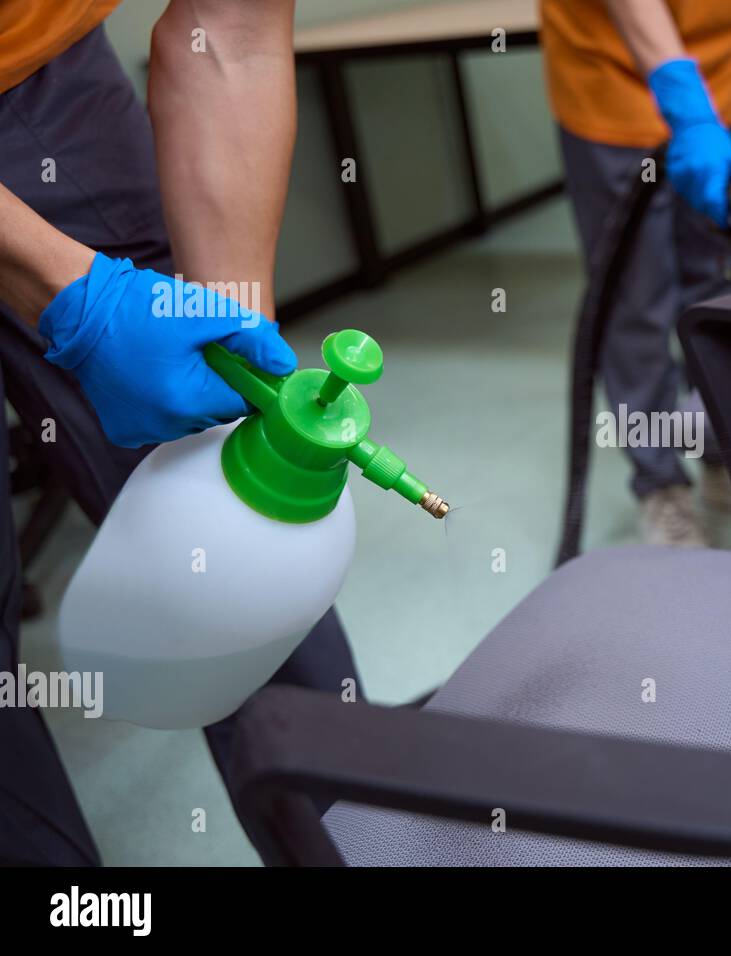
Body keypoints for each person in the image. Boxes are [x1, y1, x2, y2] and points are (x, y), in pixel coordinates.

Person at [0, 0, 361, 864]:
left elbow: (230, 25)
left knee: (240, 527)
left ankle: (355, 847)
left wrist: (240, 364)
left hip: (42, 74)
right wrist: (70, 294)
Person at [540, 0, 731, 547]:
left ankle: (728, 460)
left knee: (724, 287)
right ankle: (661, 484)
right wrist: (684, 102)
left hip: (730, 72)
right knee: (635, 301)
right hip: (612, 71)